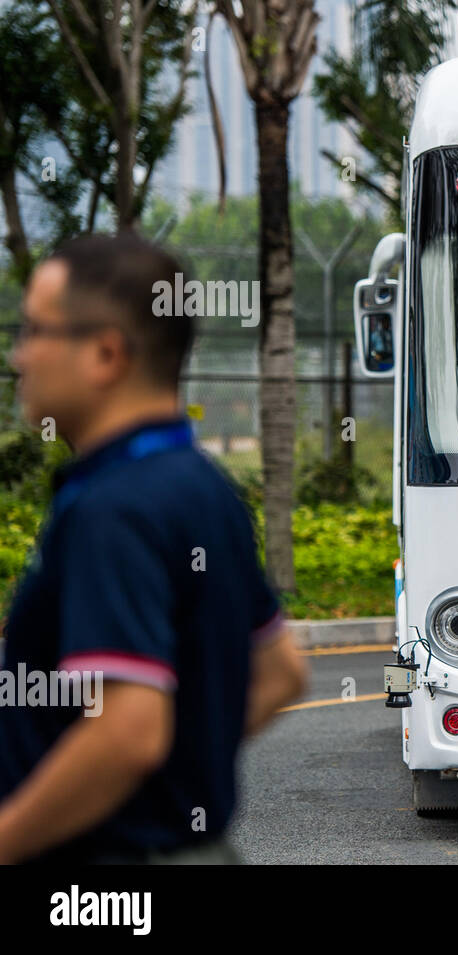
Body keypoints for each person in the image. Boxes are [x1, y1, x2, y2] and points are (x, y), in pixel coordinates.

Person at [0, 234, 309, 864]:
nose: (18, 356)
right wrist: (167, 791)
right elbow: (280, 672)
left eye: (34, 330)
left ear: (105, 354)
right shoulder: (203, 487)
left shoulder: (114, 508)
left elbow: (129, 730)